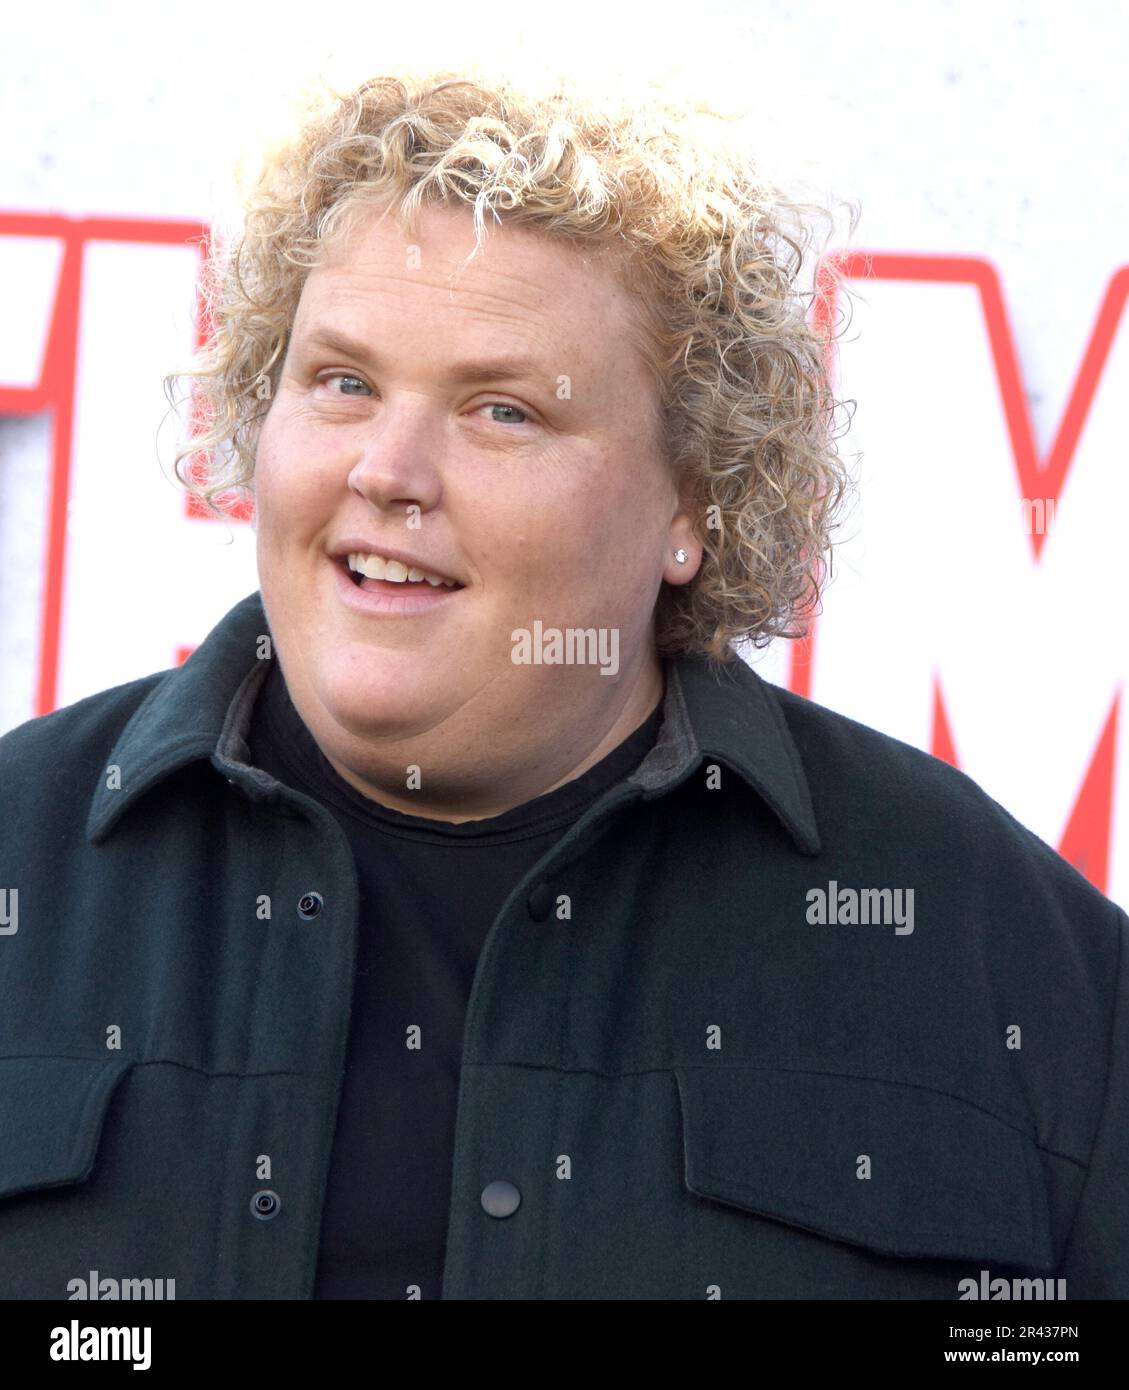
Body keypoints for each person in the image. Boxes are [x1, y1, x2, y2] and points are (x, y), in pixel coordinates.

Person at [0, 63, 1125, 1301]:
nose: (389, 468)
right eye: (342, 382)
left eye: (503, 412)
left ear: (693, 499)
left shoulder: (999, 952)